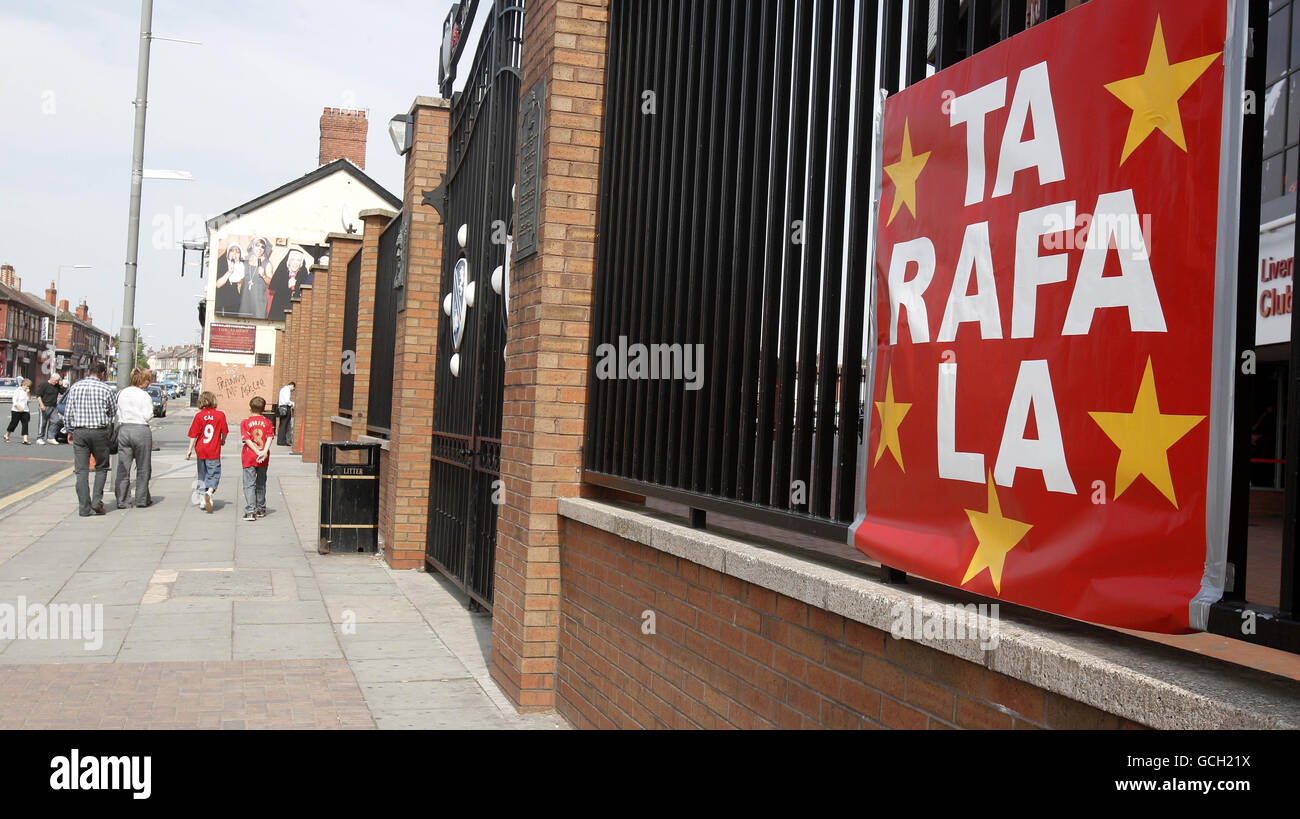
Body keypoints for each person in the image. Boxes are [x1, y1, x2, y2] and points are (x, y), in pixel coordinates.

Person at [63, 361, 117, 516]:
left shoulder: (75, 387)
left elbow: (68, 413)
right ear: (102, 373)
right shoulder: (105, 388)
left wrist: (70, 430)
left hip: (80, 432)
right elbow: (113, 411)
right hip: (99, 432)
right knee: (101, 467)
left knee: (81, 470)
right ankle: (96, 502)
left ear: (88, 372)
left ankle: (84, 508)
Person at [114, 367, 155, 509]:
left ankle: (122, 500)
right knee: (143, 467)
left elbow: (117, 411)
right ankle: (141, 499)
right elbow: (148, 415)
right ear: (142, 381)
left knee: (123, 467)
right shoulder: (145, 396)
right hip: (140, 430)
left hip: (124, 429)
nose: (148, 383)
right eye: (147, 381)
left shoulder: (121, 393)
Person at [186, 391, 228, 513]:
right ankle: (209, 493)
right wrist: (222, 440)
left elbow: (194, 434)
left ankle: (201, 496)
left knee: (202, 474)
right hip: (213, 449)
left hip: (200, 449)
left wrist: (189, 450)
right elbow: (224, 431)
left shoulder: (199, 416)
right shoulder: (220, 415)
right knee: (214, 473)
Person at [241, 396, 275, 521]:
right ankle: (261, 508)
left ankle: (250, 510)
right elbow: (270, 437)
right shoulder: (268, 422)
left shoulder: (245, 422)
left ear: (250, 408)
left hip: (249, 456)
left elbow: (247, 439)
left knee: (249, 484)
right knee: (261, 483)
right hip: (264, 458)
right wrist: (264, 452)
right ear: (264, 409)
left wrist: (256, 451)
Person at [240, 237, 273, 319]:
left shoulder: (267, 264)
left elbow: (271, 283)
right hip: (245, 301)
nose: (259, 248)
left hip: (259, 303)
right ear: (252, 246)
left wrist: (264, 275)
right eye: (257, 245)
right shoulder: (244, 262)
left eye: (262, 247)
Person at [34, 373, 66, 444]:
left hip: (53, 406)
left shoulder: (57, 386)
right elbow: (38, 395)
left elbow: (63, 392)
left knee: (56, 421)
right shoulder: (44, 385)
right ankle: (40, 438)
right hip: (45, 405)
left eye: (58, 381)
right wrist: (41, 405)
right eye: (55, 380)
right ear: (51, 378)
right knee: (43, 423)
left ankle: (51, 437)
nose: (56, 382)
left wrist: (61, 385)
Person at [4, 378, 33, 445]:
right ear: (23, 384)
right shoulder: (18, 390)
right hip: (16, 410)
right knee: (14, 423)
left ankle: (25, 439)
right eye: (27, 386)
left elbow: (29, 400)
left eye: (29, 386)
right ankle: (7, 434)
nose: (27, 387)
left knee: (25, 424)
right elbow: (14, 400)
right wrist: (18, 407)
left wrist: (28, 393)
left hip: (25, 410)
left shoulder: (27, 392)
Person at [277, 381, 295, 446]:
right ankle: (282, 441)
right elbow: (287, 401)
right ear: (292, 386)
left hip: (281, 407)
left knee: (282, 424)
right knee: (285, 425)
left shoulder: (282, 389)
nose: (293, 390)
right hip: (286, 408)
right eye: (293, 389)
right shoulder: (287, 390)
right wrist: (293, 404)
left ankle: (280, 440)